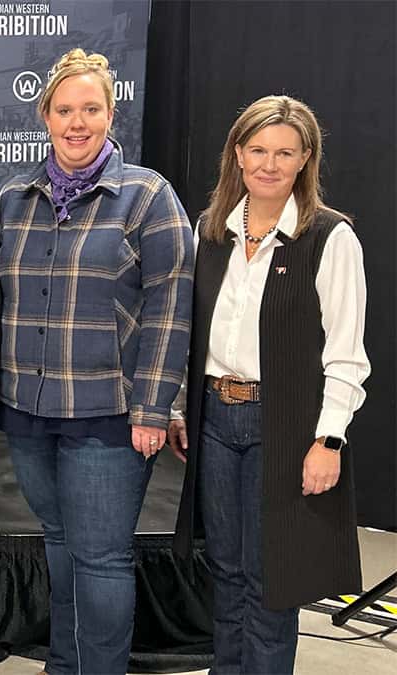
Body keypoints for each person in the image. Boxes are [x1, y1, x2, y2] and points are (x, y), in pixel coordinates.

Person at [0, 48, 194, 674]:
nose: (76, 122)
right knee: (57, 545)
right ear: (44, 117)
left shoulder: (147, 196)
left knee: (101, 557)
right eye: (64, 110)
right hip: (28, 410)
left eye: (90, 108)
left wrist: (157, 407)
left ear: (112, 114)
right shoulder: (13, 199)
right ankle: (63, 664)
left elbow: (171, 308)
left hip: (111, 414)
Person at [170, 95, 369, 674]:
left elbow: (347, 355)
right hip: (215, 421)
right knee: (226, 569)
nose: (269, 164)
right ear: (237, 153)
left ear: (305, 159)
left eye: (285, 152)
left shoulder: (330, 239)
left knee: (269, 577)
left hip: (282, 427)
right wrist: (183, 408)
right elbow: (190, 334)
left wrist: (328, 440)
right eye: (257, 149)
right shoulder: (210, 232)